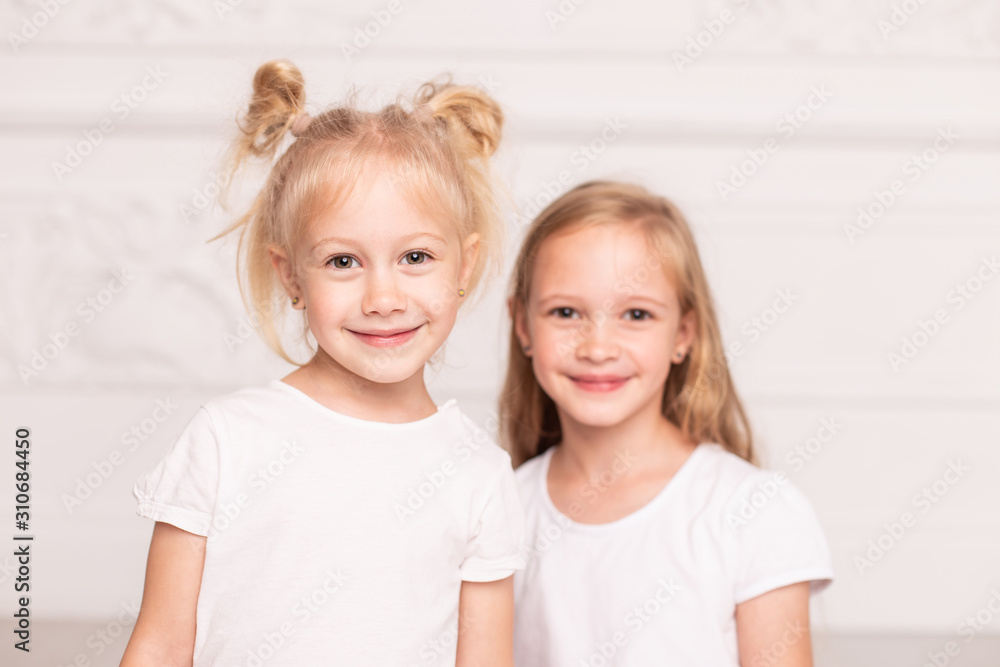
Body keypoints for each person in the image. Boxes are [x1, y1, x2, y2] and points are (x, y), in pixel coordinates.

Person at [121, 59, 525, 667]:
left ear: (463, 267)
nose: (383, 299)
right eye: (343, 262)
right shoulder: (227, 441)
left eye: (416, 256)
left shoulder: (481, 475)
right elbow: (160, 645)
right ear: (291, 275)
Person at [500, 180, 833, 666]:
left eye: (636, 314)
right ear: (524, 325)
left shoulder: (754, 513)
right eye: (566, 312)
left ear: (684, 334)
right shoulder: (501, 512)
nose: (597, 347)